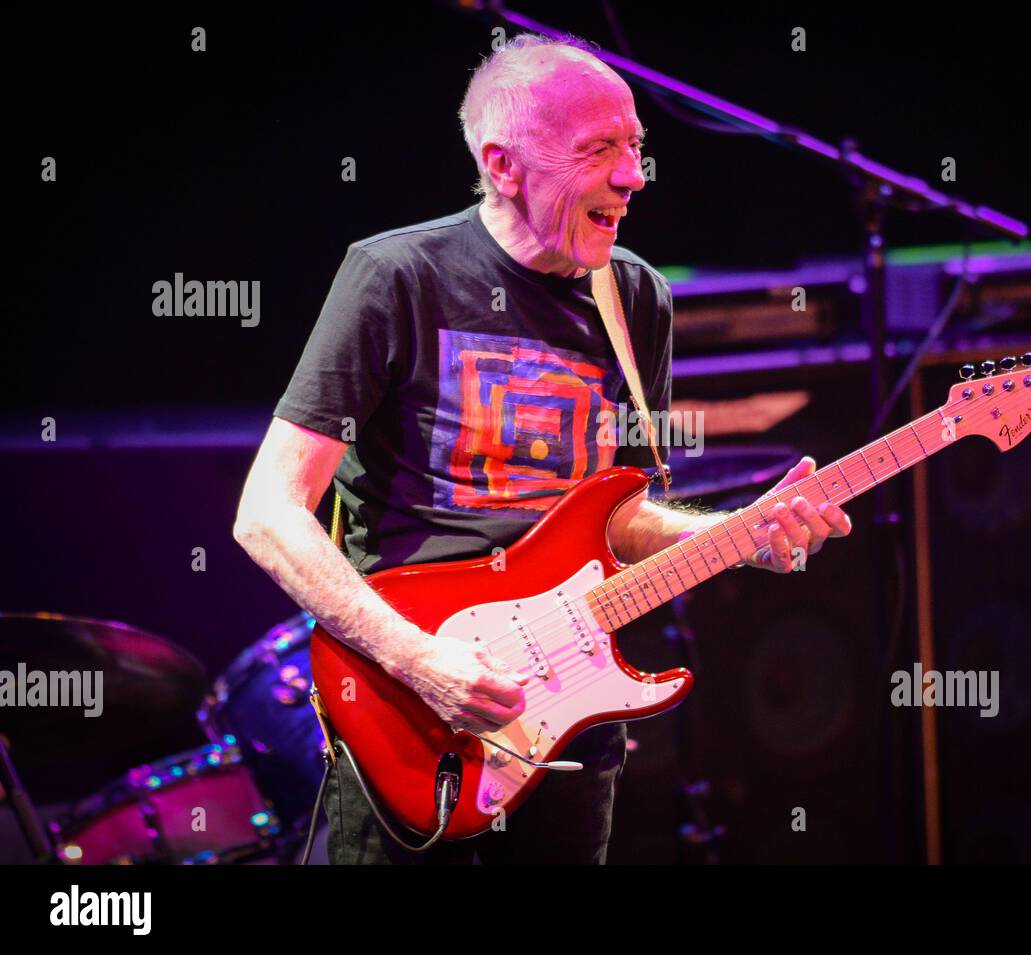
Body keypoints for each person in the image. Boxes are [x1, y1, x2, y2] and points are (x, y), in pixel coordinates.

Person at [233, 33, 852, 864]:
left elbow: (621, 518)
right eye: (600, 151)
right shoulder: (395, 276)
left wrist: (738, 536)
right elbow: (267, 512)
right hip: (413, 718)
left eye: (636, 147)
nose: (632, 177)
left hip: (570, 713)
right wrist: (417, 659)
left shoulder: (635, 296)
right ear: (504, 164)